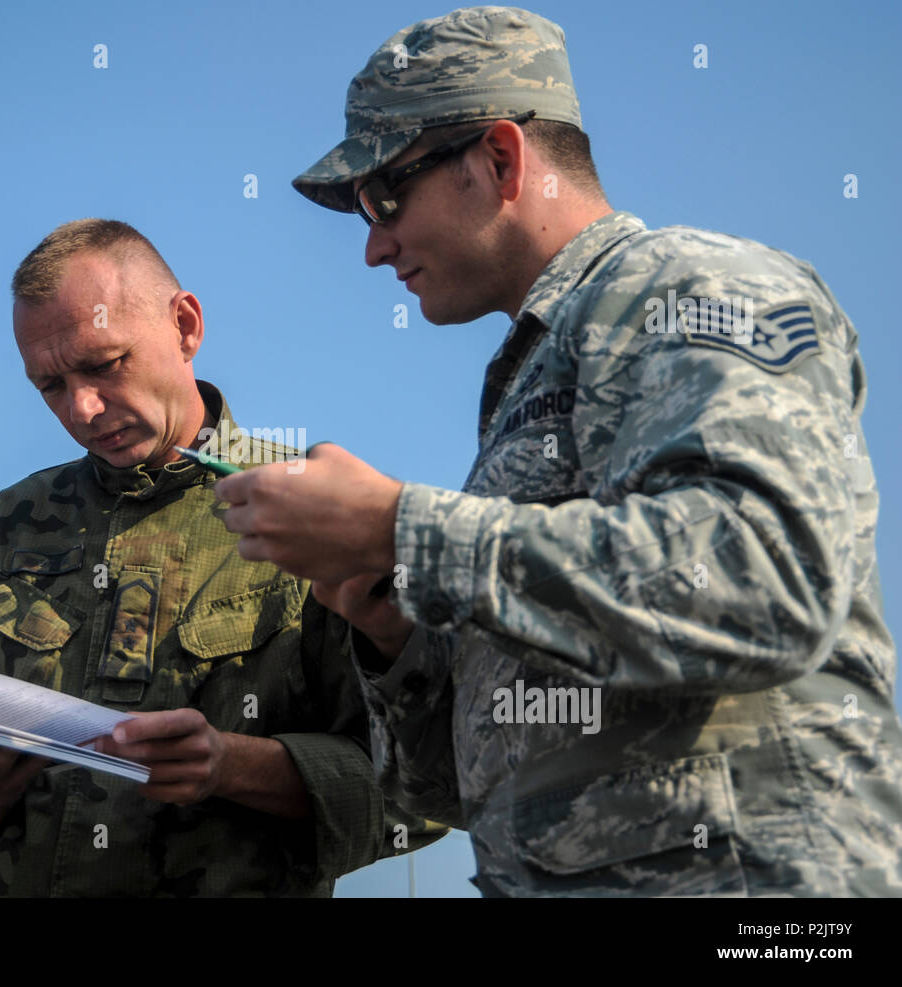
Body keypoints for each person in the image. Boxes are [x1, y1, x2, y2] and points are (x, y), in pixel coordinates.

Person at [216, 6, 902, 896]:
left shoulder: (696, 285)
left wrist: (403, 529)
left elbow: (769, 581)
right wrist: (390, 622)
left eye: (385, 197)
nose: (375, 245)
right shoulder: (529, 378)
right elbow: (470, 787)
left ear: (500, 159)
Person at [0, 218, 439, 897]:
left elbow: (424, 781)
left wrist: (232, 765)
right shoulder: (16, 521)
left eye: (104, 364)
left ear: (186, 326)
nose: (82, 408)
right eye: (49, 385)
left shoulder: (312, 503)